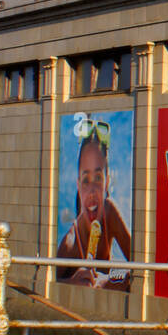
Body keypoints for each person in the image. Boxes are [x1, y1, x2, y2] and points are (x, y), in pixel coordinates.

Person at [57, 119, 133, 291]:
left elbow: (141, 266)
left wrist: (113, 281)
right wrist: (72, 283)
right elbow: (47, 284)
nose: (92, 191)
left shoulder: (109, 212)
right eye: (86, 180)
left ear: (107, 182)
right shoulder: (70, 243)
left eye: (98, 178)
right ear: (78, 185)